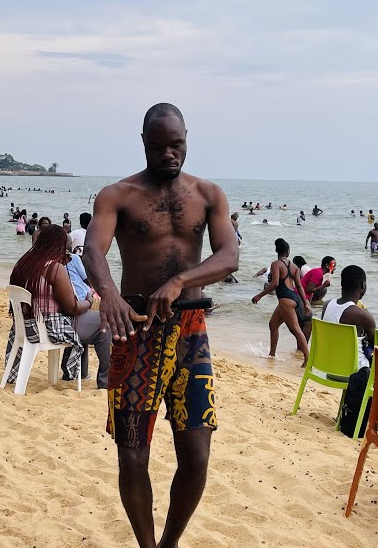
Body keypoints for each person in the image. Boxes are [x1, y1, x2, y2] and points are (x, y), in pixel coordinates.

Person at [81, 103, 238, 548]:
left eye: (177, 145)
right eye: (158, 146)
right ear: (144, 142)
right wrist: (107, 291)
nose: (169, 154)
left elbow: (229, 256)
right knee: (132, 455)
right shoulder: (118, 195)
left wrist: (180, 281)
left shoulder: (209, 194)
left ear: (187, 138)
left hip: (191, 333)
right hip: (135, 331)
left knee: (197, 455)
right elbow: (94, 250)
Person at [2, 225, 90, 386]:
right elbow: (71, 309)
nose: (68, 252)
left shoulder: (23, 264)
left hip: (23, 328)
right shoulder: (54, 268)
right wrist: (89, 301)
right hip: (47, 330)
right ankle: (90, 377)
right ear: (59, 246)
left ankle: (77, 373)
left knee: (85, 321)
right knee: (100, 327)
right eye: (67, 247)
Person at [252, 238, 309, 362]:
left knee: (296, 330)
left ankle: (307, 358)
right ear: (288, 252)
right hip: (294, 298)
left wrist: (259, 296)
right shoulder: (294, 267)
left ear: (277, 251)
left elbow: (274, 283)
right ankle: (272, 355)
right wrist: (305, 303)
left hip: (285, 300)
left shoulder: (276, 264)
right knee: (273, 324)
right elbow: (299, 286)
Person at [322, 266, 376, 367]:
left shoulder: (326, 305)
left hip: (329, 368)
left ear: (341, 284)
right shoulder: (364, 316)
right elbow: (377, 345)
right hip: (356, 372)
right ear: (363, 285)